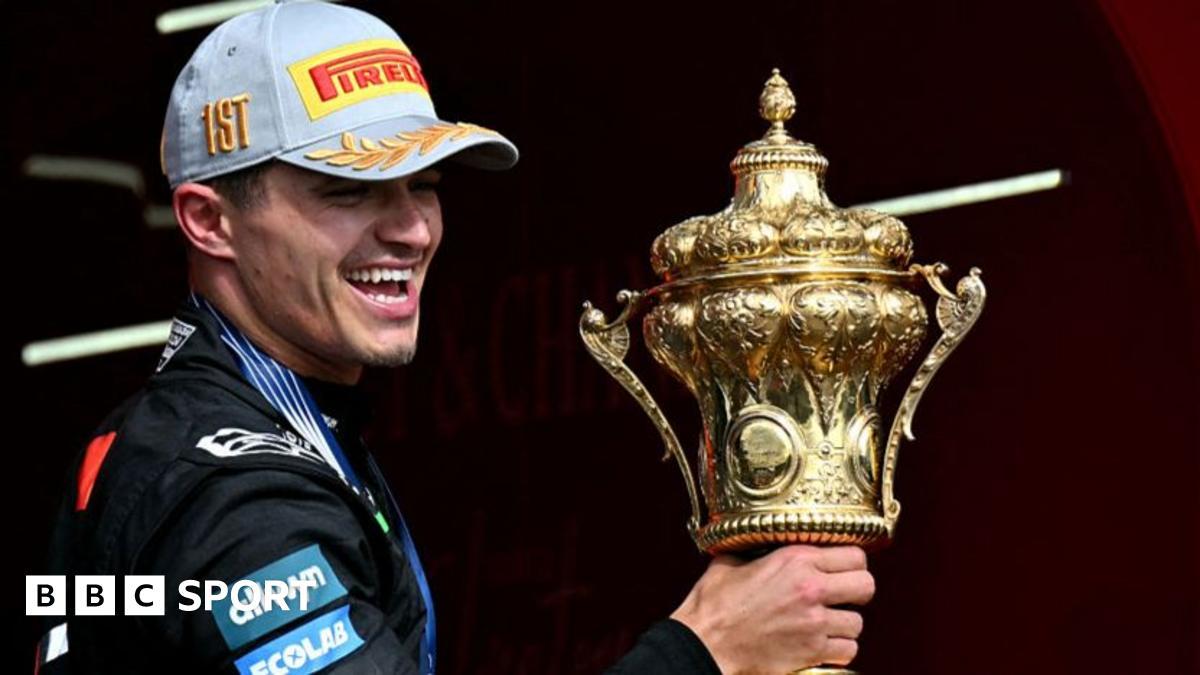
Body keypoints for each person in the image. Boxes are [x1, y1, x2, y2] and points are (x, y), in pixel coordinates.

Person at [35, 1, 874, 673]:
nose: (410, 229)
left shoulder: (190, 438)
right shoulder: (227, 491)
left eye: (425, 184)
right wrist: (703, 647)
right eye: (348, 190)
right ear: (210, 221)